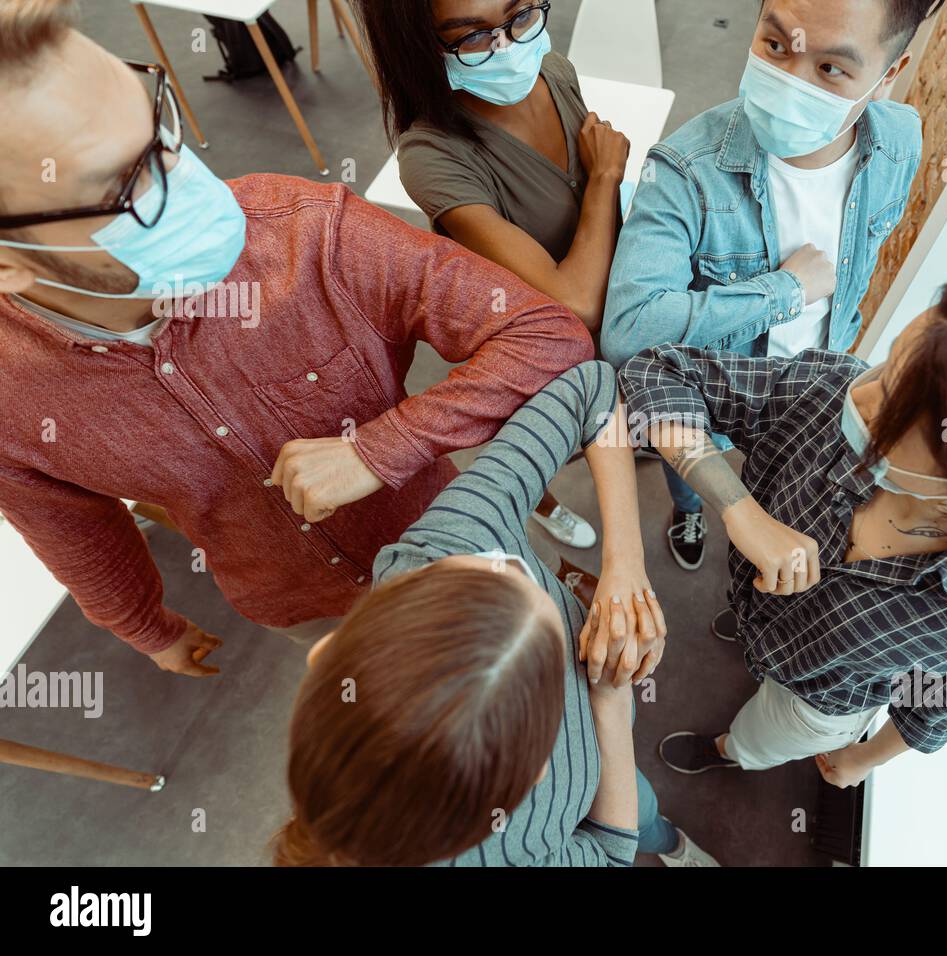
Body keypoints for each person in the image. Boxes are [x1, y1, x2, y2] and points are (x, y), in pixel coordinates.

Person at [0, 0, 590, 676]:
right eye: (122, 181)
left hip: (460, 539)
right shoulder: (12, 397)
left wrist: (379, 449)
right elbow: (71, 525)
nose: (183, 177)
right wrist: (147, 628)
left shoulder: (310, 235)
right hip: (300, 605)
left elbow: (545, 332)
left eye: (158, 122)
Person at [617, 274, 947, 781]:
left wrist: (865, 757)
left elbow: (945, 704)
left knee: (757, 739)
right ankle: (744, 628)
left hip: (816, 702)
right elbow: (656, 372)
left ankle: (728, 752)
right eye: (888, 364)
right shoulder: (830, 388)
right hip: (753, 601)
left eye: (890, 411)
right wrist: (738, 508)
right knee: (746, 615)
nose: (859, 393)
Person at [276, 361, 716, 866]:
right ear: (534, 770)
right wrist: (612, 700)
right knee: (639, 816)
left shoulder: (443, 545)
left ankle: (666, 840)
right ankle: (672, 846)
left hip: (596, 773)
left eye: (500, 567)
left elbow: (591, 388)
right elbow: (611, 854)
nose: (496, 552)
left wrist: (626, 565)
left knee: (646, 815)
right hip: (605, 774)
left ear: (327, 650)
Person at [602, 0, 943, 572]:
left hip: (815, 376)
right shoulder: (685, 170)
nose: (791, 81)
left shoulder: (898, 143)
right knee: (691, 460)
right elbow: (629, 331)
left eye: (830, 68)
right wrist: (784, 291)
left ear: (889, 75)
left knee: (788, 481)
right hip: (715, 387)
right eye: (777, 45)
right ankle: (689, 507)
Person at [352, 0, 632, 550]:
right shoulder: (433, 155)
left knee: (610, 418)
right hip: (534, 341)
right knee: (536, 440)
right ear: (423, 49)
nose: (507, 47)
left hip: (616, 313)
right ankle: (542, 503)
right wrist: (604, 178)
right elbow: (575, 303)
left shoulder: (554, 72)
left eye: (521, 15)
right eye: (472, 37)